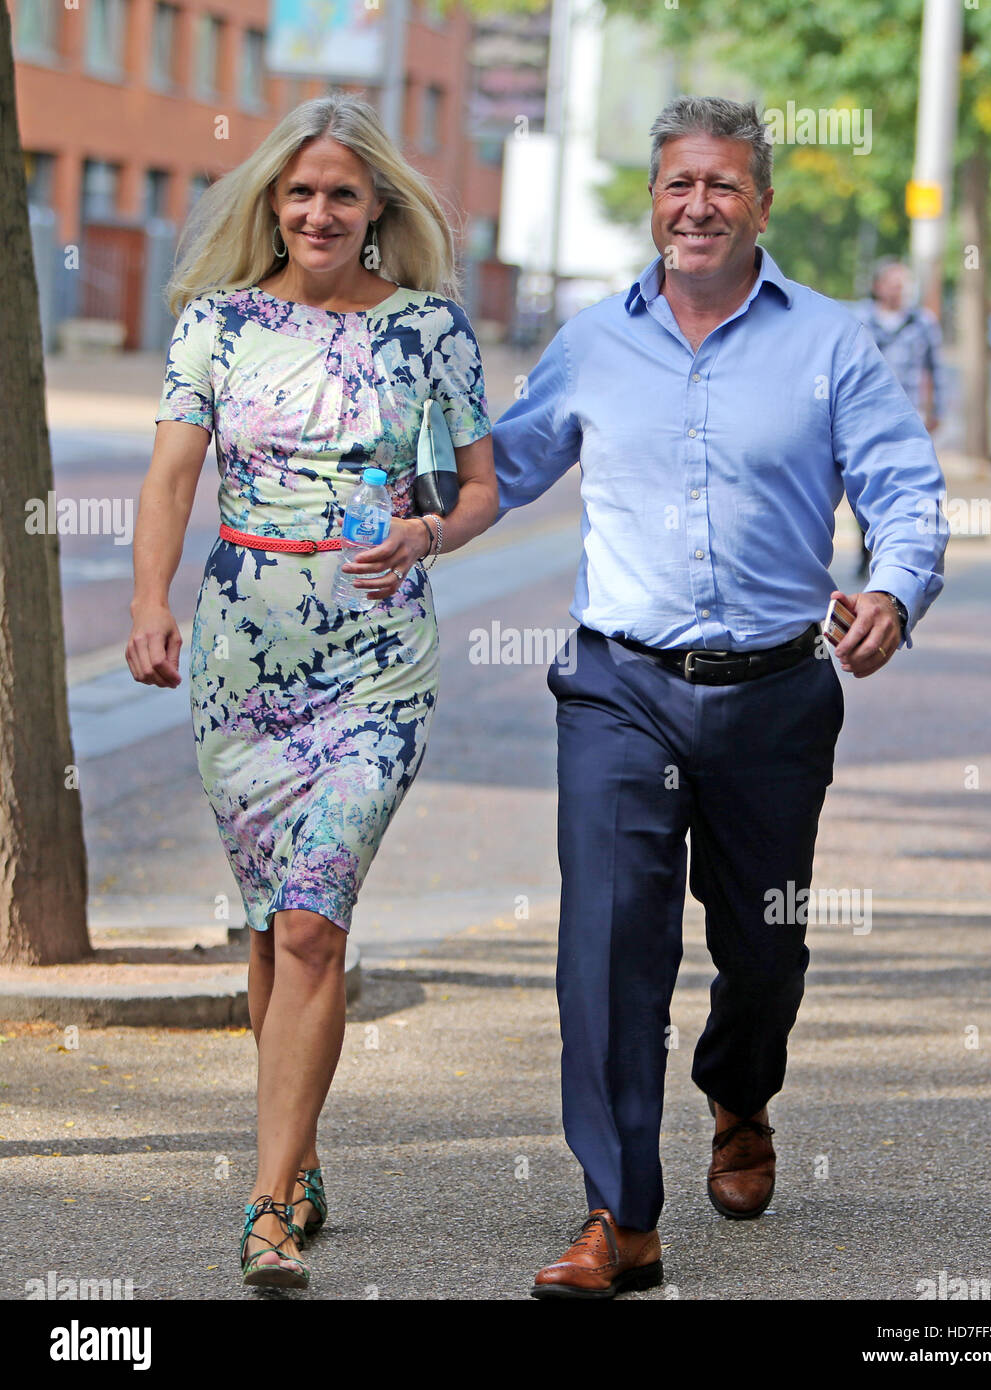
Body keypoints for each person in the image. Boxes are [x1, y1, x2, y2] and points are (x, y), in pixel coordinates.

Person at [492, 95, 948, 1299]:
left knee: (764, 948)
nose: (696, 205)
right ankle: (621, 1219)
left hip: (776, 696)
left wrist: (892, 594)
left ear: (762, 204)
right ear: (654, 197)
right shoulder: (594, 340)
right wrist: (414, 502)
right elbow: (508, 463)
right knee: (608, 948)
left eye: (722, 186)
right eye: (677, 183)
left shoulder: (834, 343)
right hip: (619, 688)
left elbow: (906, 493)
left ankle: (740, 1093)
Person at [125, 95, 497, 1290]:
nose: (321, 211)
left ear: (378, 202)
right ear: (272, 204)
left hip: (377, 656)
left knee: (310, 922)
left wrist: (429, 534)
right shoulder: (218, 325)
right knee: (267, 923)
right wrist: (150, 603)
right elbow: (170, 478)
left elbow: (480, 489)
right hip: (242, 652)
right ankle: (302, 1151)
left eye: (343, 192)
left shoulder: (430, 330)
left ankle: (269, 1205)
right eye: (300, 192)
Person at [850, 259, 945, 580]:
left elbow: (936, 370)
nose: (898, 289)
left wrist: (936, 411)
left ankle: (898, 556)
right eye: (891, 283)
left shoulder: (923, 324)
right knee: (863, 486)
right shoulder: (858, 320)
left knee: (904, 485)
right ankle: (866, 548)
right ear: (877, 287)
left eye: (902, 283)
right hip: (863, 416)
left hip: (907, 418)